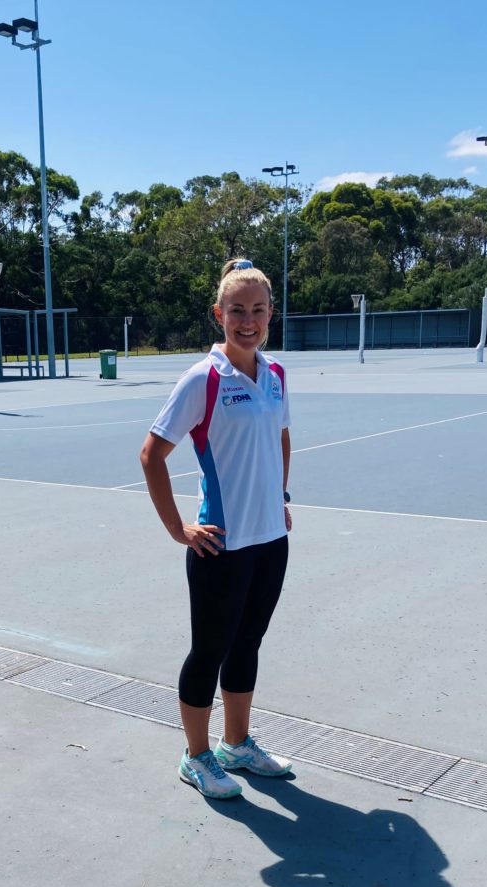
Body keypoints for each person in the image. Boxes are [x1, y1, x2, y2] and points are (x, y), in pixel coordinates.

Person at [139, 258, 293, 799]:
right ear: (218, 314)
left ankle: (237, 744)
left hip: (271, 540)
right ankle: (196, 756)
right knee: (209, 651)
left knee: (247, 644)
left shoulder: (275, 375)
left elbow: (281, 438)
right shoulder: (203, 379)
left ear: (270, 314)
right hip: (221, 544)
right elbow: (151, 455)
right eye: (237, 311)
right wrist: (178, 528)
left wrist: (279, 497)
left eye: (258, 310)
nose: (248, 321)